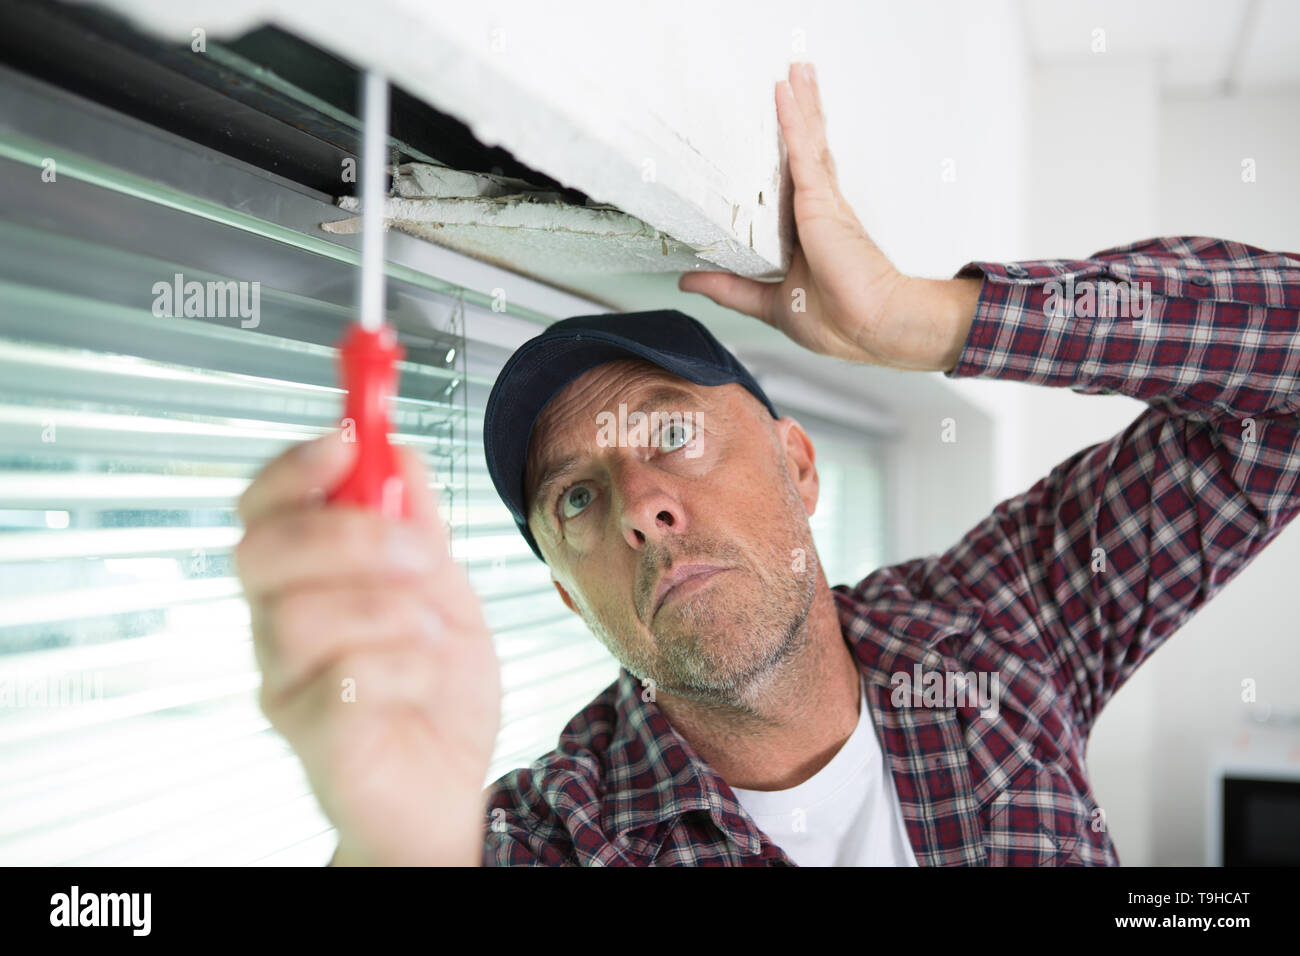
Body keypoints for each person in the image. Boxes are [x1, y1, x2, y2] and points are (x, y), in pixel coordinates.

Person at [233, 62, 1300, 866]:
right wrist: (394, 836)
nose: (642, 506)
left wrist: (924, 319)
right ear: (568, 593)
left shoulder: (1004, 624)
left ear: (797, 463)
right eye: (576, 496)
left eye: (672, 433)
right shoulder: (555, 834)